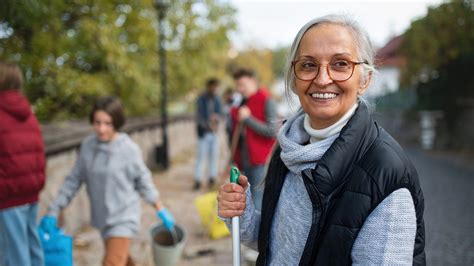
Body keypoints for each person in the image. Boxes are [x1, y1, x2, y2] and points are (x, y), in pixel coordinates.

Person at [218, 14, 425, 265]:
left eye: (340, 64)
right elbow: (281, 246)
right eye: (308, 65)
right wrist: (242, 215)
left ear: (365, 79)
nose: (322, 78)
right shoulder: (290, 149)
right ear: (294, 79)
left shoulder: (384, 172)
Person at [40, 96, 175, 266]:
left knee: (111, 262)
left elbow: (143, 180)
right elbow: (73, 180)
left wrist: (160, 208)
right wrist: (55, 208)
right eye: (97, 122)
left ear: (116, 123)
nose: (101, 129)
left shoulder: (128, 149)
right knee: (122, 259)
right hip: (103, 218)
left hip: (124, 217)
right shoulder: (88, 147)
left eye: (107, 123)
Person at [0, 61, 45, 266]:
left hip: (8, 196)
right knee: (32, 247)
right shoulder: (28, 114)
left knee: (14, 254)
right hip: (31, 192)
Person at [230, 68, 277, 211]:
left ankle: (258, 233)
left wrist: (248, 119)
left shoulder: (267, 100)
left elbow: (272, 131)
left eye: (243, 84)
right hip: (244, 159)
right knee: (246, 196)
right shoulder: (243, 102)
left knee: (257, 199)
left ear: (253, 81)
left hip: (260, 161)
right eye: (238, 85)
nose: (240, 88)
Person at [194, 78, 222, 190]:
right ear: (209, 86)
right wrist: (207, 125)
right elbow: (199, 116)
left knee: (214, 156)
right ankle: (198, 180)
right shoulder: (201, 99)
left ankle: (212, 178)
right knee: (201, 157)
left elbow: (220, 113)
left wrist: (217, 119)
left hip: (214, 133)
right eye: (213, 86)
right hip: (203, 133)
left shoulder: (217, 100)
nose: (215, 89)